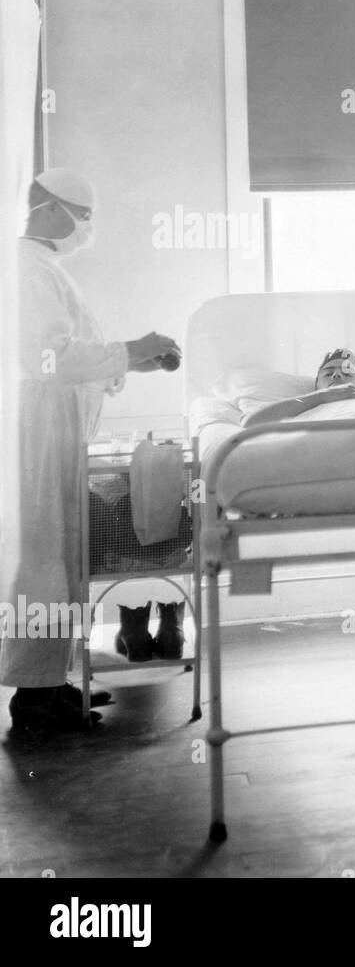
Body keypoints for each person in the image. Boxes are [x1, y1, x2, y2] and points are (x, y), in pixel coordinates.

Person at [3, 169, 182, 730]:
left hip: (60, 426)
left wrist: (134, 360)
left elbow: (75, 354)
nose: (87, 228)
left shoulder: (45, 270)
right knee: (46, 558)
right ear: (51, 209)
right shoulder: (30, 270)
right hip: (43, 426)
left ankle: (52, 684)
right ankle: (32, 699)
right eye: (84, 216)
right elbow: (48, 358)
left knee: (64, 556)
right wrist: (129, 349)